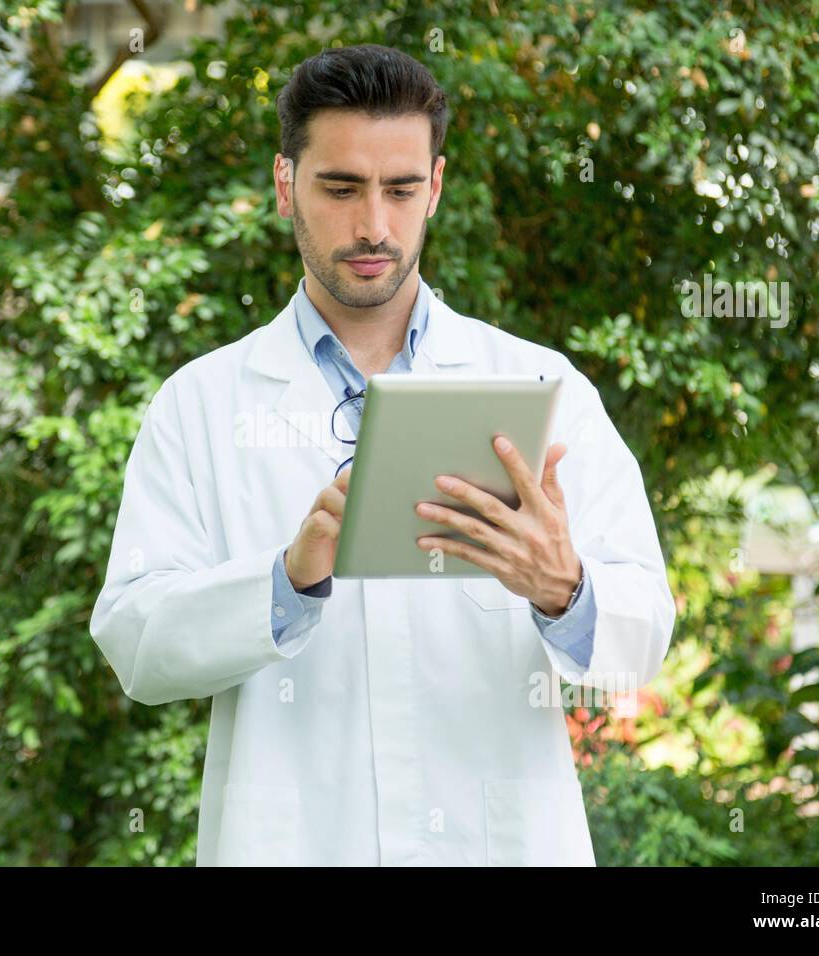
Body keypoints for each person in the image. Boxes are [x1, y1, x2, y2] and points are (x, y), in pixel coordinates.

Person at [90, 44, 675, 866]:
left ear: (435, 187)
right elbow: (135, 643)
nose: (374, 225)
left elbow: (644, 633)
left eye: (401, 190)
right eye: (340, 187)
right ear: (286, 182)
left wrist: (563, 589)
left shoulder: (543, 388)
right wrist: (287, 581)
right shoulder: (202, 404)